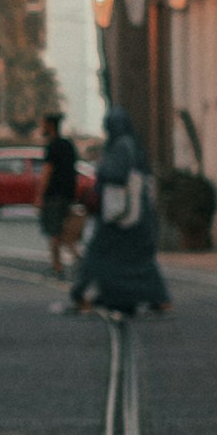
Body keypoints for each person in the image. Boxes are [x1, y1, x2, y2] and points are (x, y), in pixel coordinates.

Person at [68, 114, 169, 323]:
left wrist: (102, 170)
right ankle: (150, 298)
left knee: (99, 252)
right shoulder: (130, 144)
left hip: (120, 215)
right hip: (133, 215)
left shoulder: (122, 146)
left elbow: (117, 174)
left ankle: (81, 293)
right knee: (137, 258)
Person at [39, 119, 83, 279]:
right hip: (67, 195)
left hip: (53, 195)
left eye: (43, 126)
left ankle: (57, 266)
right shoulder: (68, 146)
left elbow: (47, 172)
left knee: (54, 231)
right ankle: (78, 259)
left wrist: (39, 196)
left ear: (50, 127)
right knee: (65, 230)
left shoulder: (52, 146)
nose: (41, 129)